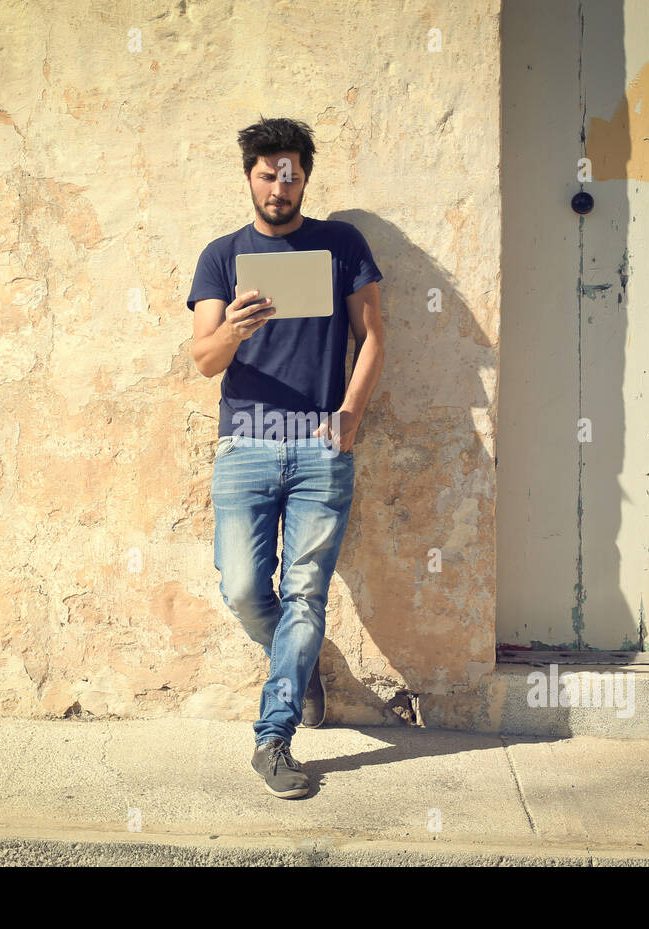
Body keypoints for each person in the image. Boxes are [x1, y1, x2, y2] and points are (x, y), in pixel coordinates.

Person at [187, 116, 385, 798]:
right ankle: (297, 665)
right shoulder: (222, 257)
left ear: (305, 176)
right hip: (244, 441)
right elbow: (203, 360)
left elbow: (375, 338)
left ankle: (274, 739)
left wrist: (350, 419)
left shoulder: (340, 245)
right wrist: (235, 329)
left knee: (304, 593)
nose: (280, 183)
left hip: (320, 447)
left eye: (292, 172)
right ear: (250, 178)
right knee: (243, 587)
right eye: (269, 172)